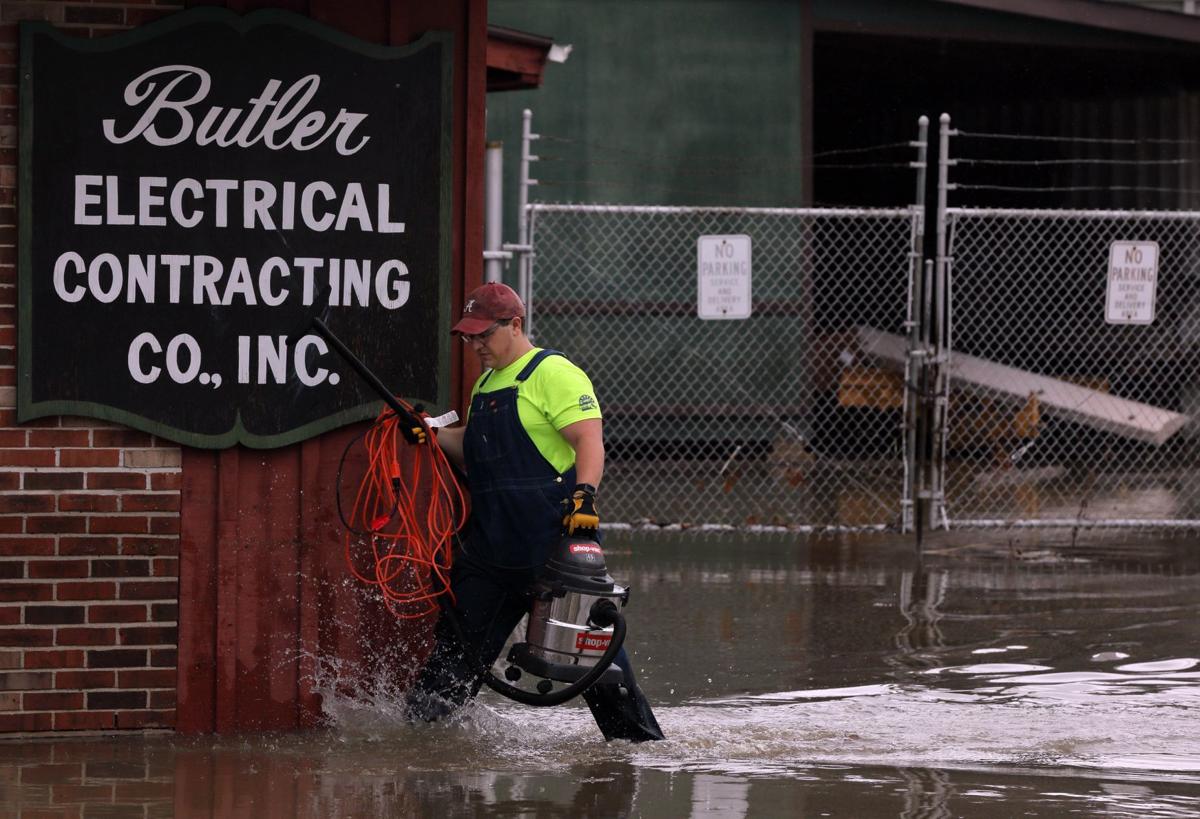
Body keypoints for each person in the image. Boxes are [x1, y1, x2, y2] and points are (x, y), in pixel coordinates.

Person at [404, 282, 663, 742]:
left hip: (553, 547)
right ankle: (422, 744)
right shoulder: (486, 384)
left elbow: (588, 439)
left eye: (484, 335)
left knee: (597, 666)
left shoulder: (553, 373)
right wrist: (431, 434)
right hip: (492, 550)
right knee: (455, 654)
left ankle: (639, 750)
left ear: (515, 325)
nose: (476, 345)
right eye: (469, 337)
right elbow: (473, 447)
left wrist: (585, 496)